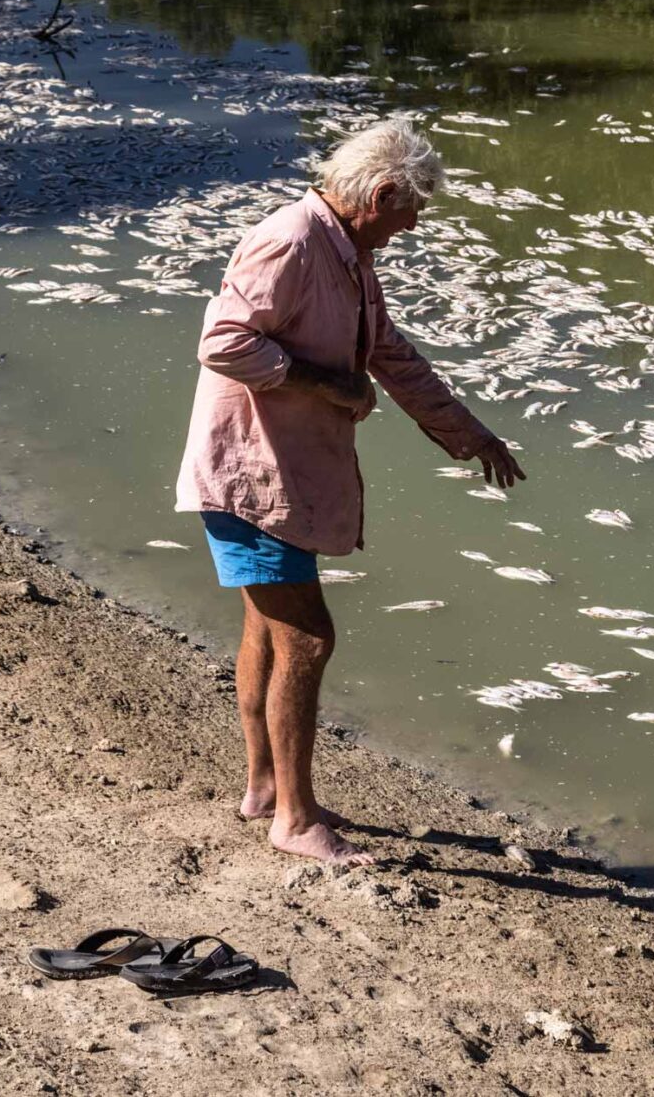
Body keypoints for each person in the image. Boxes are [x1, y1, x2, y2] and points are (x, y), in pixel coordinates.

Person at [176, 121, 526, 865]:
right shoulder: (294, 242)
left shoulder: (346, 252)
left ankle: (266, 789)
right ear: (383, 192)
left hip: (279, 471)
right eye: (413, 208)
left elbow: (388, 353)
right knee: (307, 637)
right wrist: (329, 384)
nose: (415, 223)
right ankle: (296, 822)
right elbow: (225, 341)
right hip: (252, 472)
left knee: (268, 633)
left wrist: (469, 434)